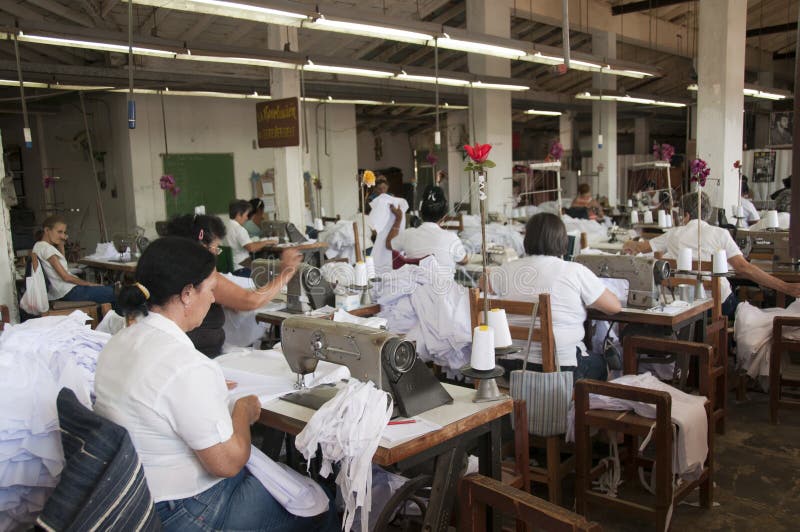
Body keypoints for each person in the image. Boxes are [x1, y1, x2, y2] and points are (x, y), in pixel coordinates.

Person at [93, 237, 337, 531]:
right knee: (321, 502)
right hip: (182, 511)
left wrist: (206, 391)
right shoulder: (183, 364)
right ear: (186, 294)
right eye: (209, 290)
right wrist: (243, 413)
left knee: (276, 478)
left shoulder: (119, 342)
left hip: (131, 496)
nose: (212, 300)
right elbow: (227, 463)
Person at [485, 212, 621, 380]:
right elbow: (614, 307)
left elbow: (482, 285)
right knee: (603, 364)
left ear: (527, 238)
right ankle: (574, 404)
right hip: (561, 370)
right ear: (562, 239)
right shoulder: (574, 271)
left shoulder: (504, 270)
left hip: (510, 367)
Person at [623, 192, 800, 315]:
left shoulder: (673, 234)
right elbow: (744, 268)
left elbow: (638, 248)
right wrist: (786, 287)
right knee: (739, 308)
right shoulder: (720, 234)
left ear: (685, 215)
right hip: (718, 303)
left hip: (685, 303)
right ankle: (726, 346)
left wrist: (629, 242)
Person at [166, 214, 300, 357]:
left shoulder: (171, 269)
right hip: (203, 356)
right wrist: (286, 272)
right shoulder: (202, 273)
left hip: (190, 354)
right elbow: (251, 300)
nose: (215, 255)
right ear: (203, 246)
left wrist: (227, 301)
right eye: (216, 248)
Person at [32, 215, 116, 305]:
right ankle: (120, 318)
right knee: (117, 293)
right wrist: (89, 284)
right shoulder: (47, 249)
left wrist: (61, 244)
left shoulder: (39, 246)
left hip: (61, 290)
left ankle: (114, 317)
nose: (62, 236)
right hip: (69, 291)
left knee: (113, 289)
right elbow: (65, 277)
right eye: (59, 232)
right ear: (47, 230)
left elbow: (63, 265)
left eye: (64, 233)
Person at [386, 186, 468, 276]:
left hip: (415, 288)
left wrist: (398, 219)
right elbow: (464, 261)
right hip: (444, 288)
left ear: (421, 213)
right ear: (444, 216)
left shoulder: (408, 234)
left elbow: (389, 244)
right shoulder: (451, 238)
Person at [225, 199, 277, 277]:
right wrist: (266, 242)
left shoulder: (225, 227)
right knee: (268, 272)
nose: (247, 218)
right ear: (239, 214)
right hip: (242, 268)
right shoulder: (239, 229)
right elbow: (251, 248)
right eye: (246, 215)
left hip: (230, 268)